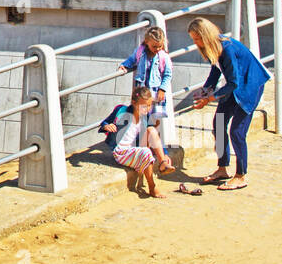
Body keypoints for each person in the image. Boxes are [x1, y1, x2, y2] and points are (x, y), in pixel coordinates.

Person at [189, 17, 271, 191]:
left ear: (205, 36)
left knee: (237, 131)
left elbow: (234, 82)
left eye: (197, 39)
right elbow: (216, 68)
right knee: (218, 124)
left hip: (249, 85)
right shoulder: (215, 47)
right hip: (235, 85)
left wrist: (210, 98)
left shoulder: (227, 49)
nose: (196, 43)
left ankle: (241, 175)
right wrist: (206, 89)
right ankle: (222, 168)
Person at [98, 85, 172, 198]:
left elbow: (154, 137)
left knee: (152, 129)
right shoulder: (121, 111)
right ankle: (152, 187)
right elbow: (104, 123)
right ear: (134, 103)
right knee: (146, 152)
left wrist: (165, 153)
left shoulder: (145, 117)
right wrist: (107, 126)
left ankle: (163, 162)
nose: (146, 109)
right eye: (143, 106)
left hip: (135, 148)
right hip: (121, 151)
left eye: (148, 106)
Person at [116, 25, 174, 144]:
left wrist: (162, 89)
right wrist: (124, 65)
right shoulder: (140, 51)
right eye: (154, 46)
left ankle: (152, 142)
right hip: (142, 91)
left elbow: (168, 74)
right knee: (141, 117)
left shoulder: (163, 56)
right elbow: (132, 59)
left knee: (154, 119)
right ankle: (142, 143)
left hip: (156, 92)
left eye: (160, 46)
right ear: (147, 42)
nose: (157, 49)